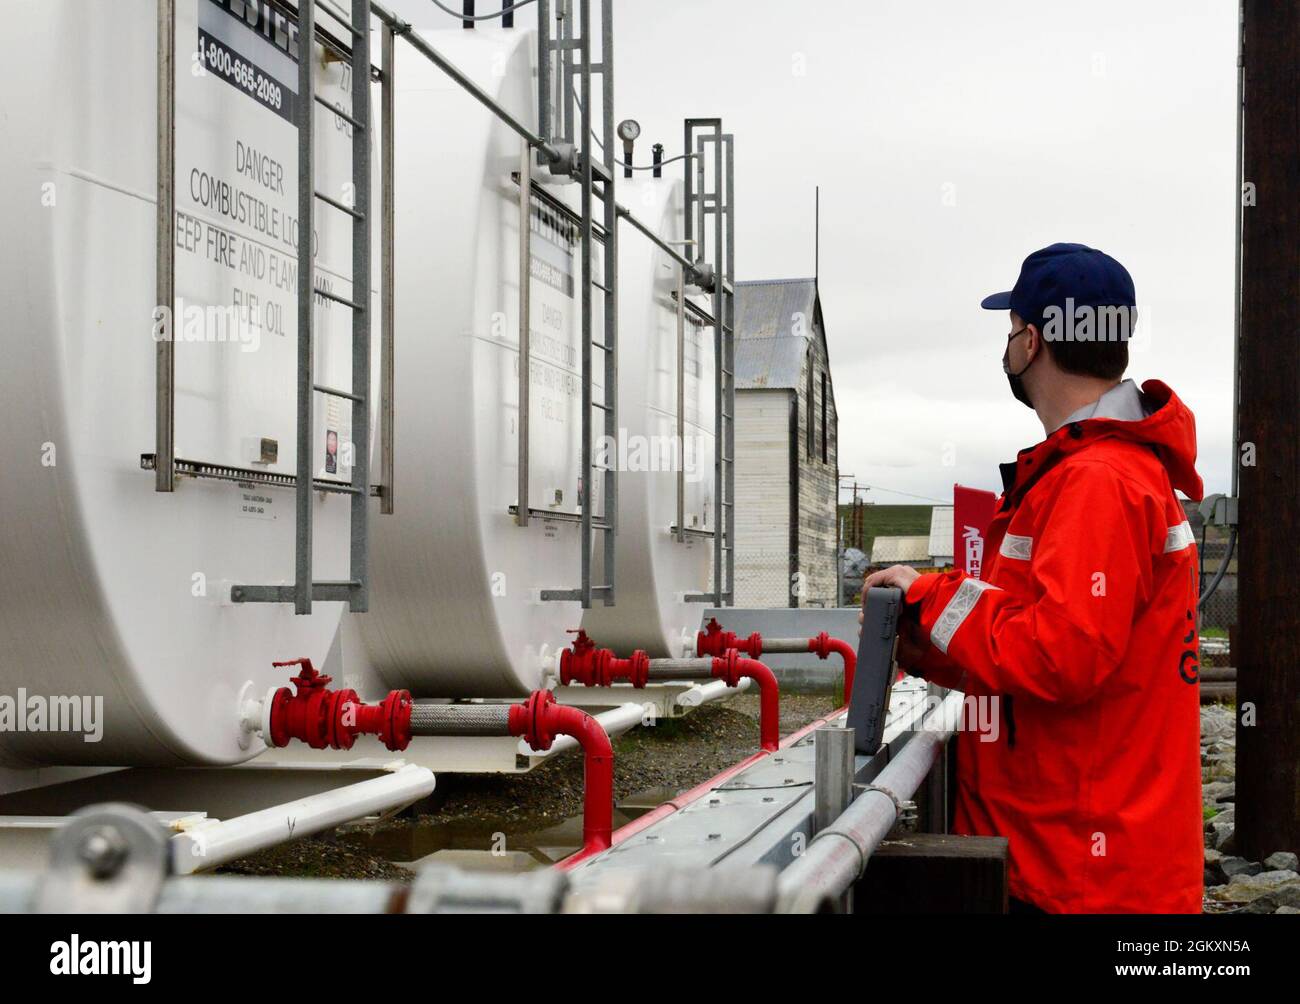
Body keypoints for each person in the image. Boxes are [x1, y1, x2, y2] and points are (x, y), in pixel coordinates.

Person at [864, 243, 1204, 913]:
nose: (1008, 346)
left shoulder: (1096, 482)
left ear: (1032, 340)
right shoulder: (1099, 472)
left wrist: (930, 595)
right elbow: (1039, 647)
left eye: (1010, 329)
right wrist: (926, 645)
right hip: (1082, 857)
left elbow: (1063, 656)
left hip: (1082, 875)